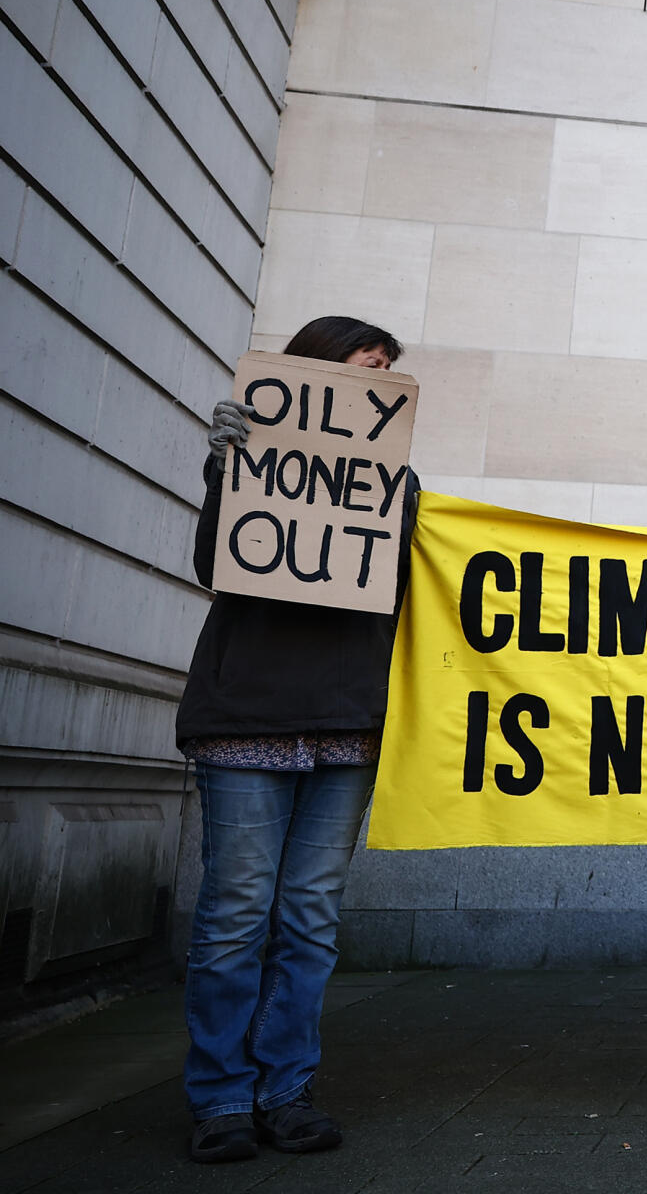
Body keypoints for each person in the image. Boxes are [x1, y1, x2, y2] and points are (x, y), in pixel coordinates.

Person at [180, 317, 419, 1164]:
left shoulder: (399, 481)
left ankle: (285, 1091)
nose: (384, 376)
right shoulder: (247, 457)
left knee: (310, 918)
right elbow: (216, 563)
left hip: (347, 726)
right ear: (318, 372)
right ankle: (219, 1098)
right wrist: (226, 466)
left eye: (392, 369)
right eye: (369, 364)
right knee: (236, 916)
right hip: (247, 715)